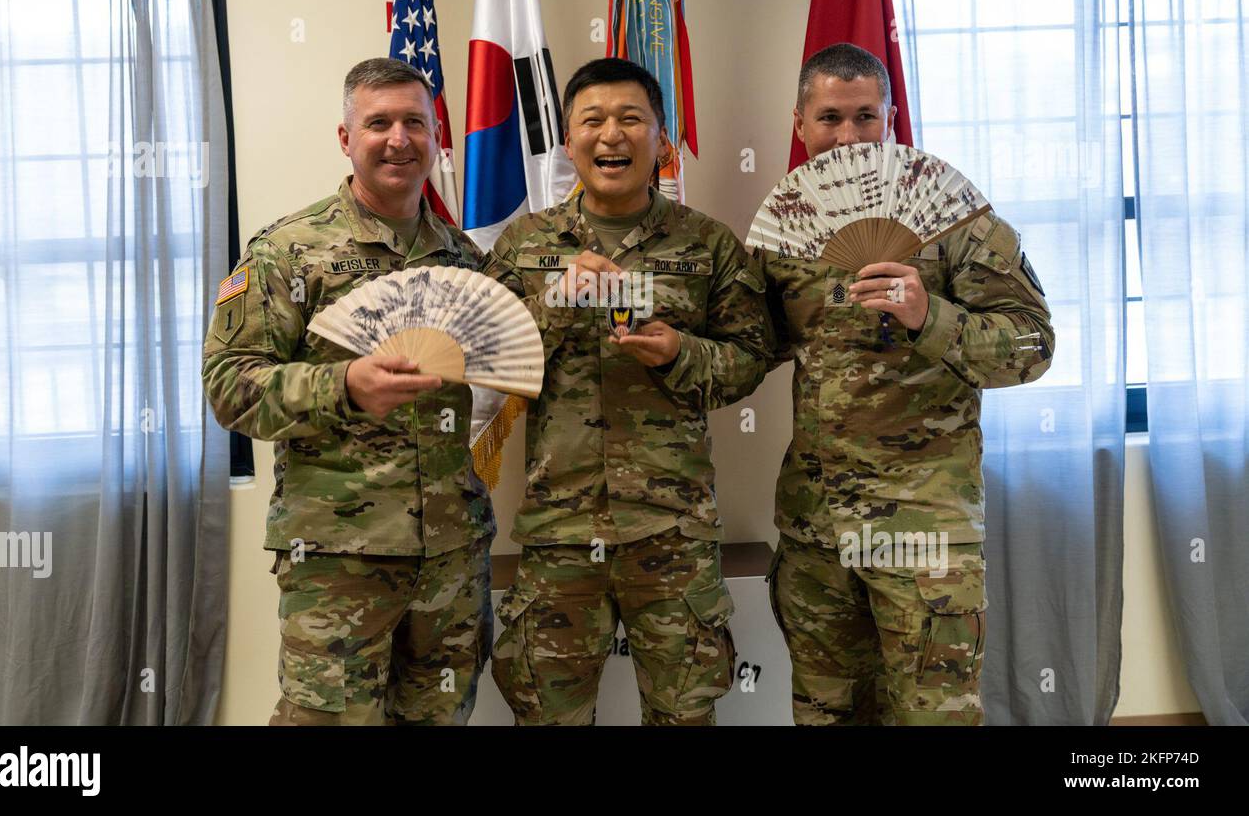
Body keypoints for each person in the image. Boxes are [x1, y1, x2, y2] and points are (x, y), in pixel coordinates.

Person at [759, 42, 1055, 725]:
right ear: (800, 125)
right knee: (827, 713)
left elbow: (1034, 347)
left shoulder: (957, 223)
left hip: (925, 524)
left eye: (866, 116)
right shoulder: (783, 232)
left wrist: (932, 316)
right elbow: (750, 345)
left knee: (933, 714)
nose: (848, 136)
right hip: (816, 525)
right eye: (830, 117)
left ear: (889, 120)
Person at [480, 57, 774, 725]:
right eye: (593, 120)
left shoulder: (707, 245)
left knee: (684, 715)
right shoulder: (525, 245)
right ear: (568, 142)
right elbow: (485, 370)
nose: (611, 135)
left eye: (631, 119)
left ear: (662, 140)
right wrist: (557, 302)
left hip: (671, 532)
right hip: (559, 533)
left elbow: (751, 360)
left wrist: (679, 353)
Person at [201, 58, 492, 725]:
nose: (398, 139)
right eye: (378, 123)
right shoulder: (287, 253)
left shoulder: (465, 259)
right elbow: (227, 387)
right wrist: (343, 386)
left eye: (414, 122)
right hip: (337, 558)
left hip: (450, 553)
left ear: (436, 136)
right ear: (345, 138)